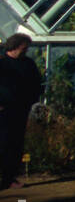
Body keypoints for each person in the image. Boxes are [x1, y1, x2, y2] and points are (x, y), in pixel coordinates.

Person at [0, 33, 43, 188]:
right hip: (2, 110)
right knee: (3, 142)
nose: (25, 50)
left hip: (20, 109)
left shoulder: (28, 64)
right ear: (15, 46)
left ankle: (9, 179)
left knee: (15, 144)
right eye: (23, 47)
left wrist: (32, 101)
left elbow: (37, 84)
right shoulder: (2, 63)